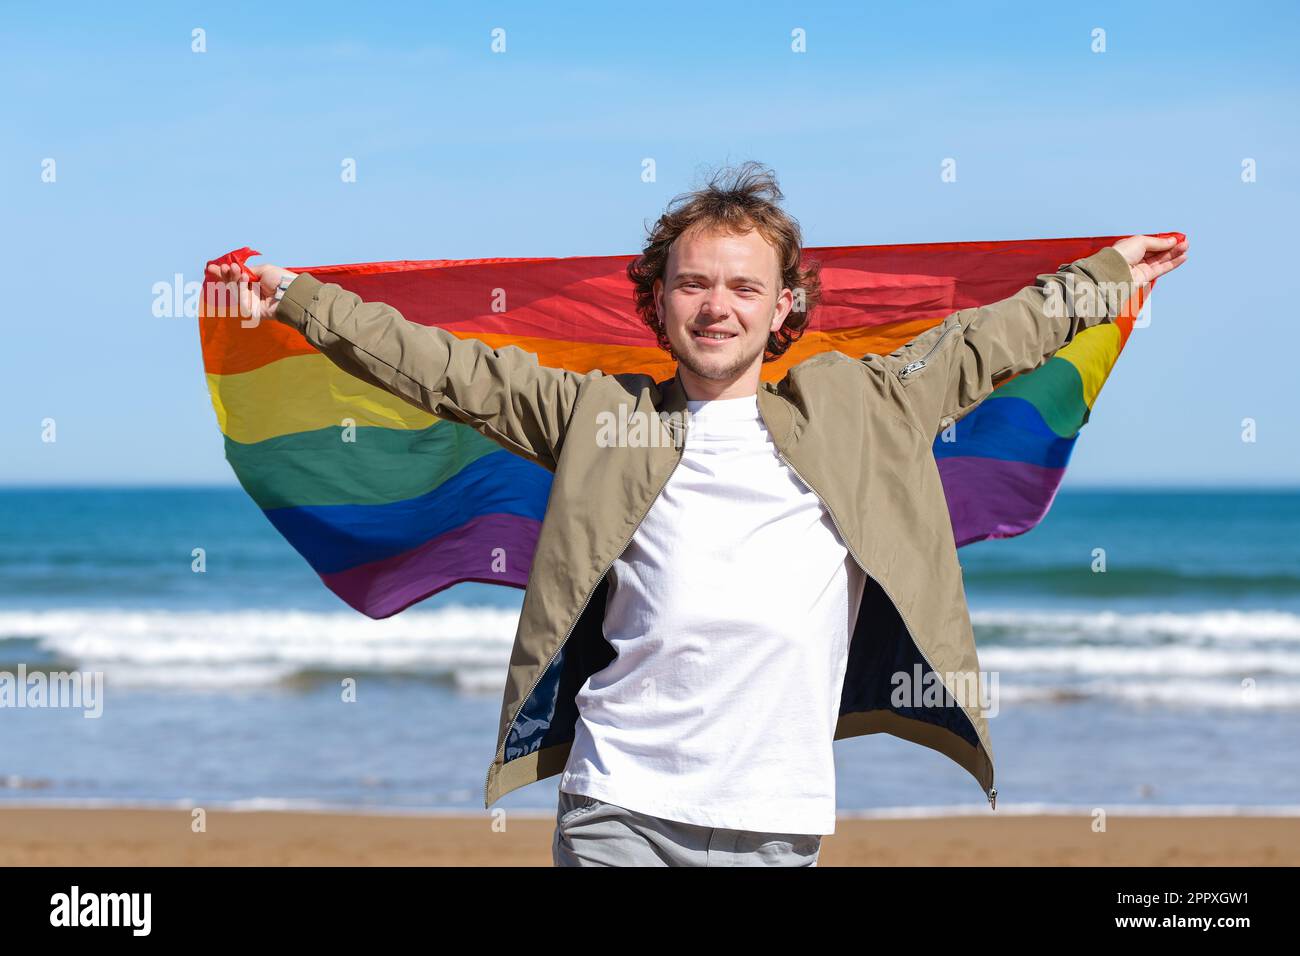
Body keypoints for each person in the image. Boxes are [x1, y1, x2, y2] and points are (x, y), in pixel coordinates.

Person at [207, 162, 1187, 867]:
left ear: (780, 308)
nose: (717, 305)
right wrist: (297, 297)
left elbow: (986, 341)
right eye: (694, 282)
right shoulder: (599, 416)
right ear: (660, 299)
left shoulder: (860, 405)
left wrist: (1108, 276)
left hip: (776, 817)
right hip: (617, 802)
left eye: (742, 287)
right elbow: (445, 368)